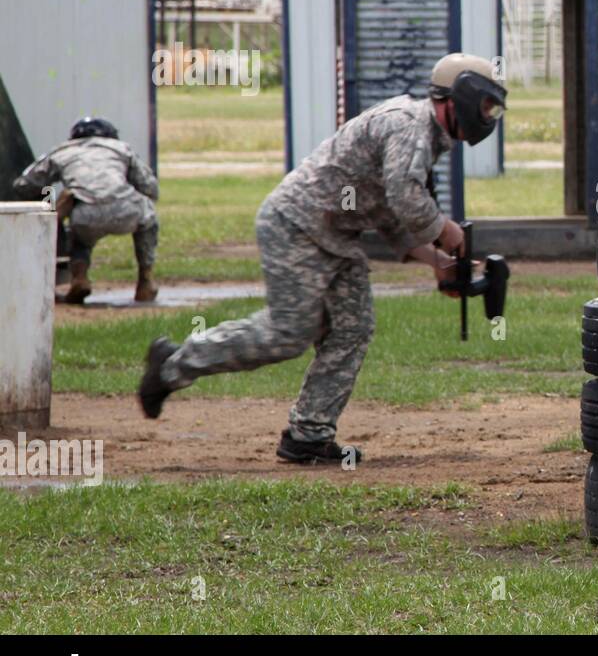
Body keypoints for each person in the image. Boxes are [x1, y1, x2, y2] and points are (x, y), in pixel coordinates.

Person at [136, 53, 507, 465]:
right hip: (296, 223)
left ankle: (308, 435)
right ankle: (171, 366)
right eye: (486, 104)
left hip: (335, 234)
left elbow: (390, 217)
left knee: (353, 327)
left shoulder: (427, 138)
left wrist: (438, 261)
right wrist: (445, 231)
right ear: (461, 96)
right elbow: (406, 199)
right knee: (289, 332)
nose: (488, 115)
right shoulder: (410, 125)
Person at [12, 117, 159, 303]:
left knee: (77, 234)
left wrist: (51, 200)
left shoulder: (61, 151)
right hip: (126, 210)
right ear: (110, 136)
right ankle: (145, 281)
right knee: (148, 213)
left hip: (84, 215)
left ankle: (79, 278)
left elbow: (23, 185)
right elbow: (150, 188)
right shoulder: (122, 149)